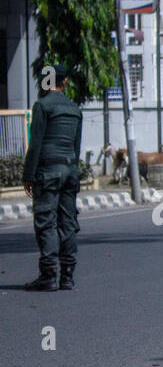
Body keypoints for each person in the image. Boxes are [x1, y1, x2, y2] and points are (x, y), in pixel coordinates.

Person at [22, 64, 82, 292]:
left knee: (46, 222)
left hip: (48, 172)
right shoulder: (75, 109)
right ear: (64, 82)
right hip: (70, 171)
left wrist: (28, 174)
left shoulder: (42, 106)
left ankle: (48, 275)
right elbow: (76, 147)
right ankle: (68, 276)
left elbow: (35, 142)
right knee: (68, 222)